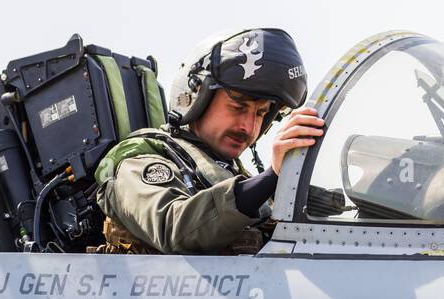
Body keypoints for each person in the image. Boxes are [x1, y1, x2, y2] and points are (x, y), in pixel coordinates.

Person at [93, 27, 323, 255]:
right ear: (196, 97)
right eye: (237, 107)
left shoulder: (231, 176)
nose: (248, 126)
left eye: (260, 113)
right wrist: (271, 176)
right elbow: (174, 227)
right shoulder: (138, 162)